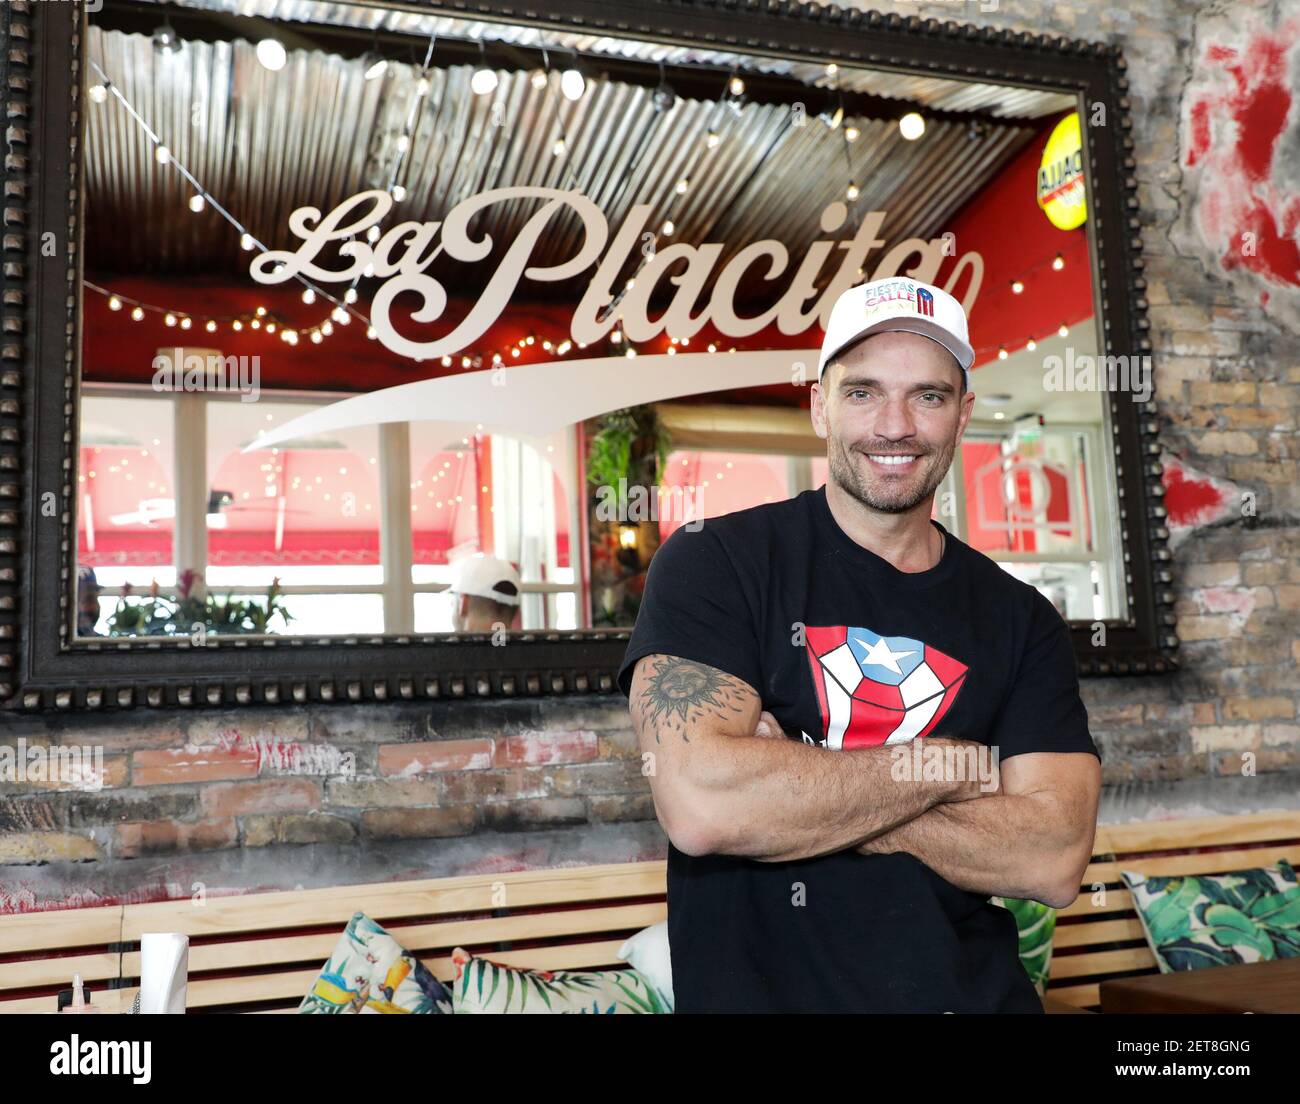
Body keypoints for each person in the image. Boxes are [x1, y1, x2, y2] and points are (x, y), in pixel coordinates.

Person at [617, 276, 1102, 1014]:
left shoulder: (1021, 617)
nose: (896, 425)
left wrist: (799, 782)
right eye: (863, 391)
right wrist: (949, 765)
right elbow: (703, 805)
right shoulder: (717, 561)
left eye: (929, 396)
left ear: (963, 414)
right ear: (819, 405)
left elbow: (1053, 857)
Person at [448, 553, 522, 632]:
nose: (451, 604)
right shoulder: (532, 642)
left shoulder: (440, 643)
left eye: (453, 599)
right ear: (516, 612)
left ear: (463, 604)